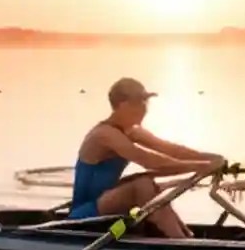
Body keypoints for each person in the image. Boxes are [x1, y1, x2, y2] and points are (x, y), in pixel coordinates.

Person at [69, 77, 224, 238]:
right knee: (142, 184)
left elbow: (173, 150)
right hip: (83, 217)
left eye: (145, 102)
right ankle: (183, 243)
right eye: (140, 102)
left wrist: (214, 159)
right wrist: (200, 166)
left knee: (147, 182)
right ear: (122, 105)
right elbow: (151, 162)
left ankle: (186, 237)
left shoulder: (131, 131)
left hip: (110, 211)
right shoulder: (104, 135)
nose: (145, 109)